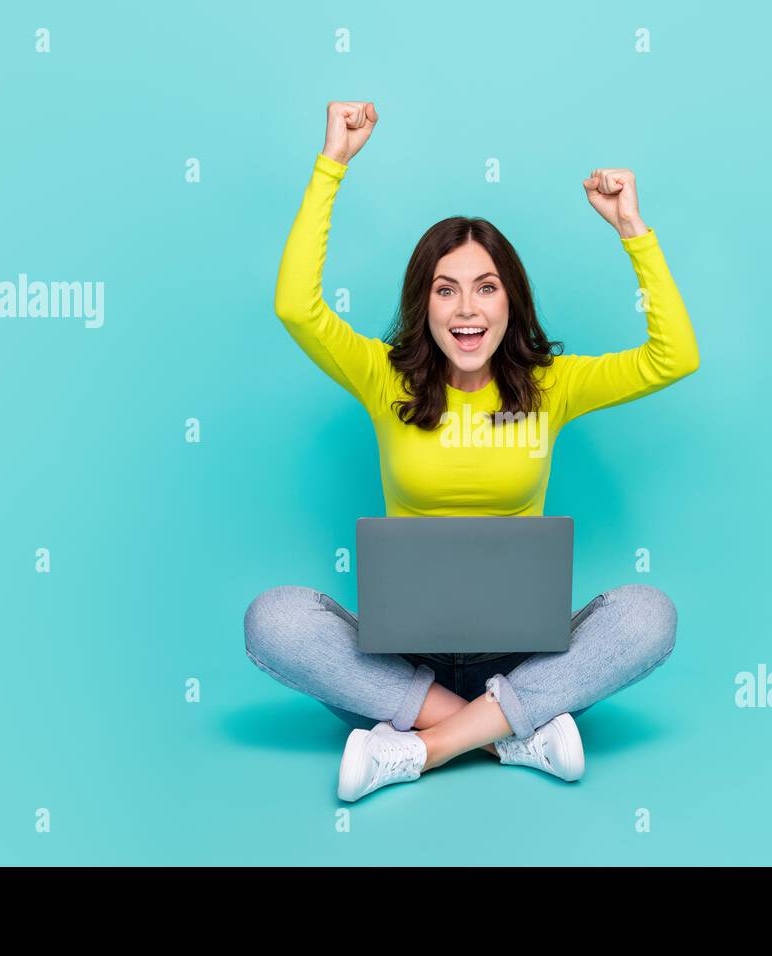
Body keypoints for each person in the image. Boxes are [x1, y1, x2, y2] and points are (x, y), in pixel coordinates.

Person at [244, 100, 700, 802]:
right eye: (446, 290)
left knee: (649, 615)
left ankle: (419, 750)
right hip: (402, 665)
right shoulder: (381, 377)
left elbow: (674, 357)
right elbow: (295, 308)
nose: (467, 310)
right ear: (422, 305)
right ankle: (511, 735)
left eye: (486, 289)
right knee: (273, 620)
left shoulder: (553, 386)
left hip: (523, 661)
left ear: (510, 302)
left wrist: (632, 230)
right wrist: (332, 162)